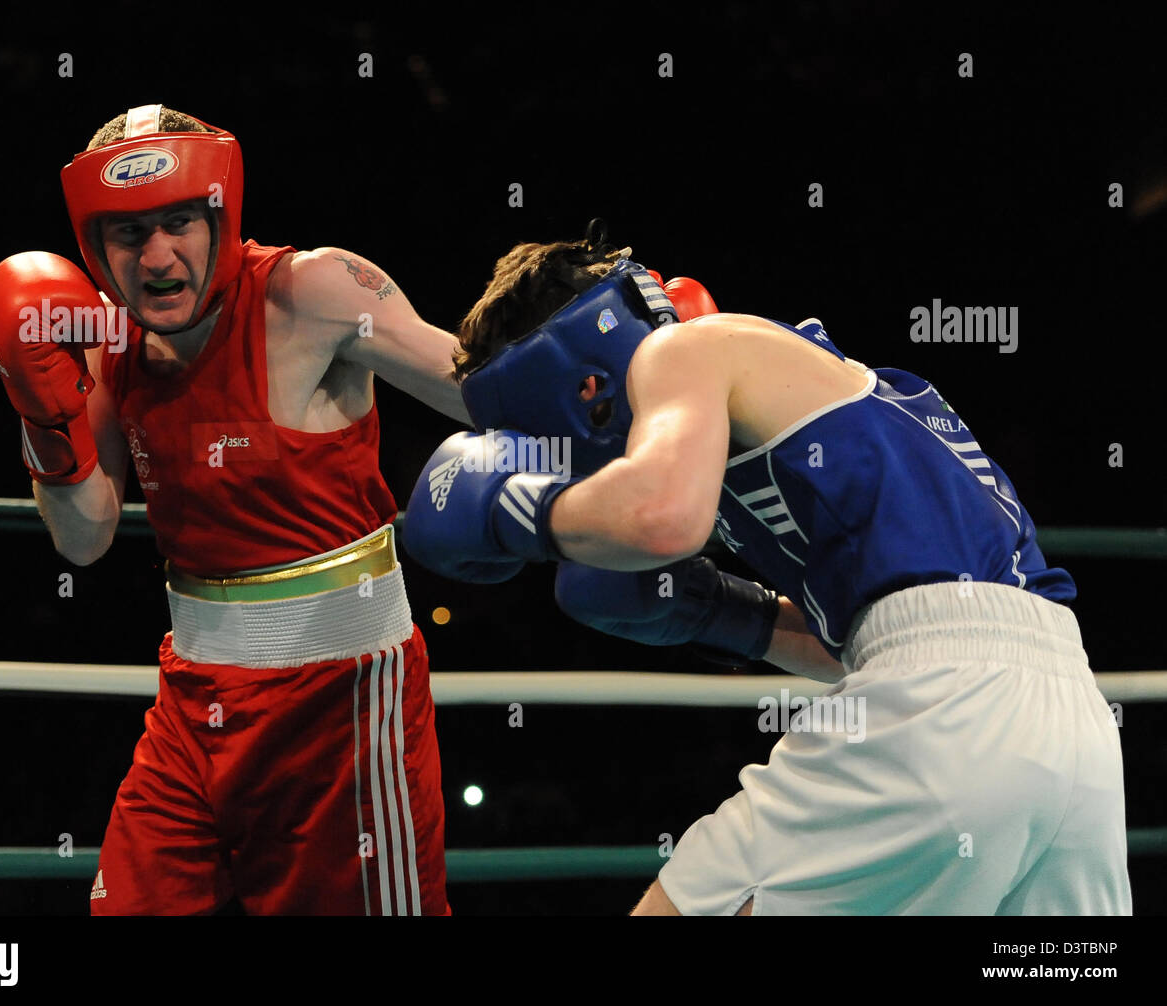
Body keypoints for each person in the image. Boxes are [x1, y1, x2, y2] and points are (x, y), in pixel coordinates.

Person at [400, 225, 1133, 916]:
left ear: (584, 389)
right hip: (1074, 732)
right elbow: (895, 637)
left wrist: (514, 509)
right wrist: (725, 612)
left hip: (942, 715)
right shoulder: (796, 411)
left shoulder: (682, 352)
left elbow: (660, 518)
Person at [0, 105, 468, 915]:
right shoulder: (105, 340)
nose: (158, 256)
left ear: (221, 215)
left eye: (178, 223)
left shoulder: (309, 291)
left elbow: (475, 388)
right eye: (128, 234)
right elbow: (85, 539)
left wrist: (630, 365)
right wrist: (44, 415)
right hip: (192, 700)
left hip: (339, 699)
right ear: (94, 247)